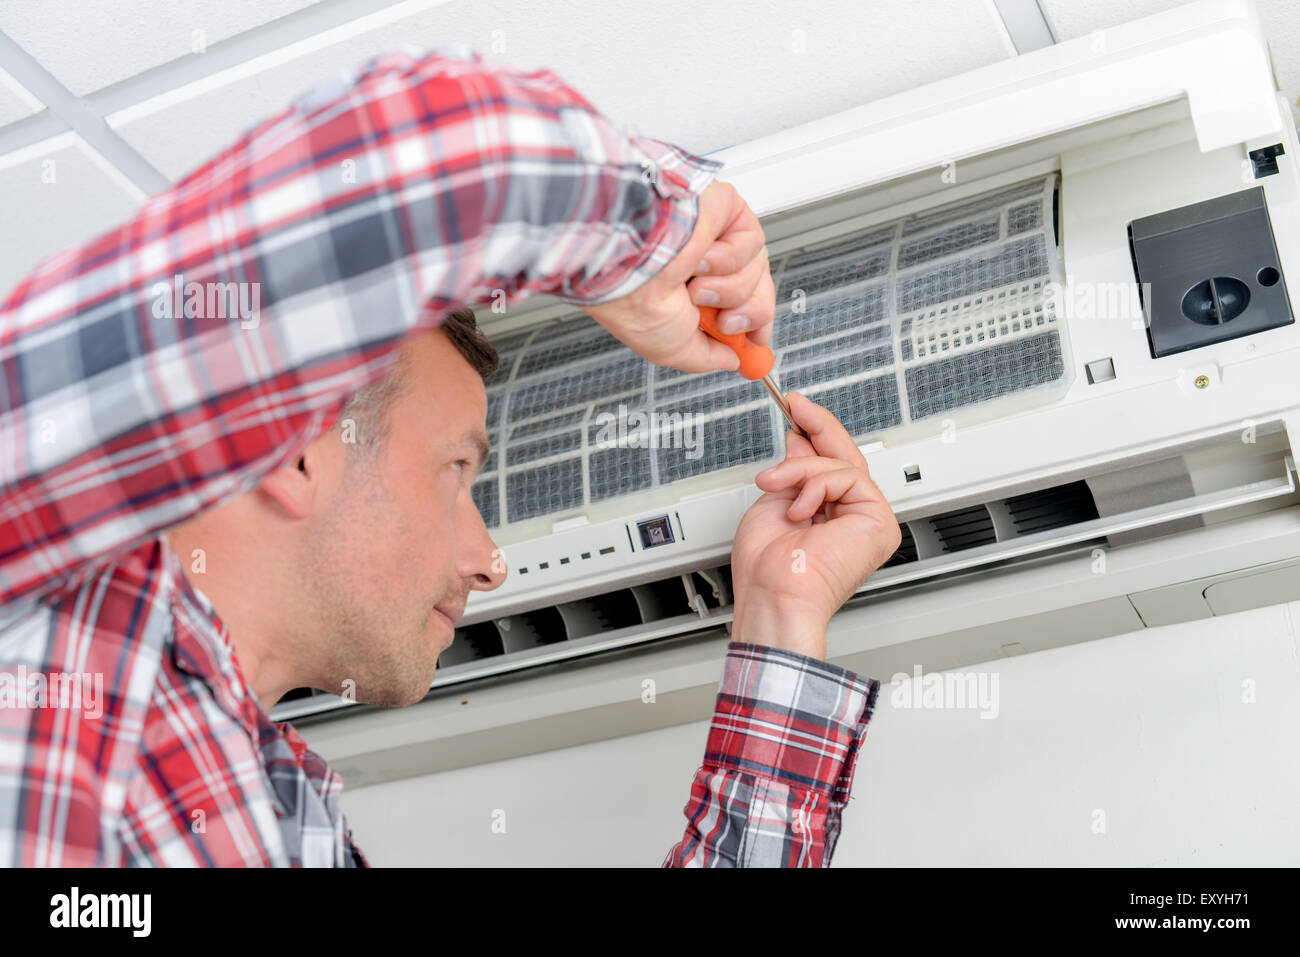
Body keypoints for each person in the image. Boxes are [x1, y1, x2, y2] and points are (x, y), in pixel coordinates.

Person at [0, 45, 901, 867]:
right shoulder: (45, 598)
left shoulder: (274, 831)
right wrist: (657, 250)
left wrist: (783, 616)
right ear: (297, 450)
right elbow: (454, 154)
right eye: (459, 471)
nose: (489, 560)